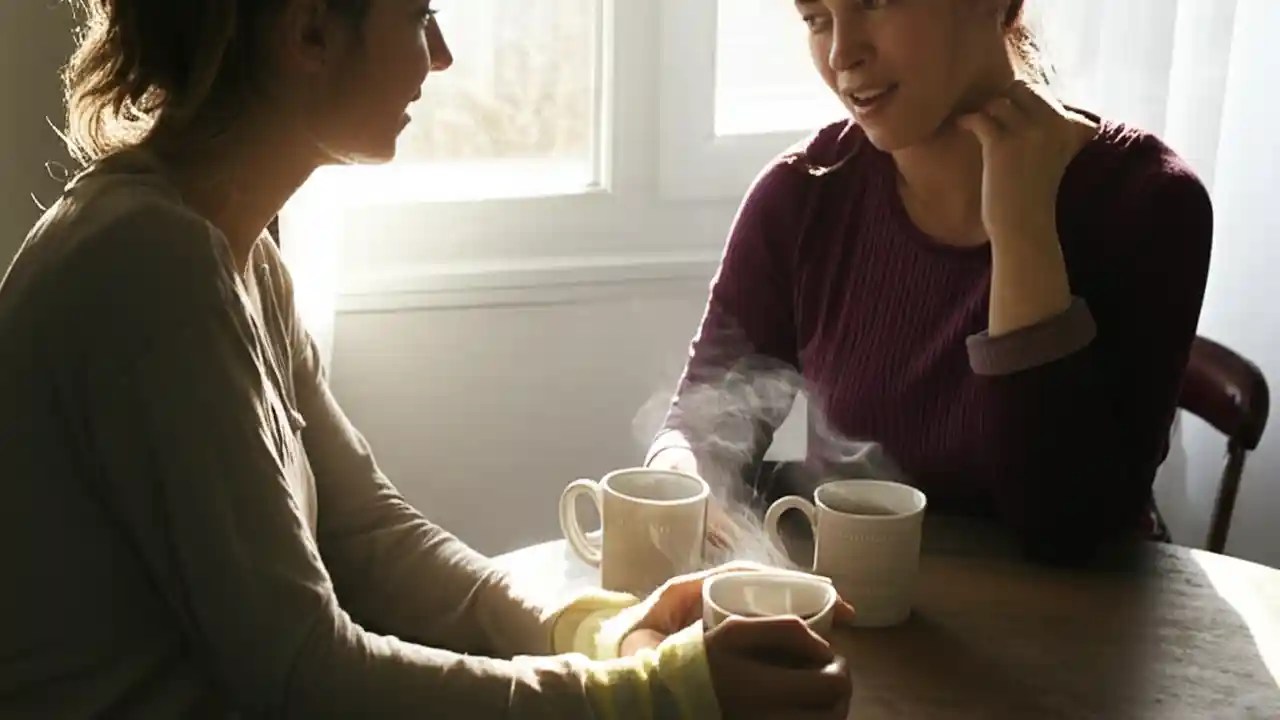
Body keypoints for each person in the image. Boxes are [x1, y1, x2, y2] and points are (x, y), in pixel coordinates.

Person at [0, 1, 854, 717]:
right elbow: (303, 673)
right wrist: (648, 695)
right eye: (420, 17)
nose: (440, 56)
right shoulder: (148, 270)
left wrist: (597, 632)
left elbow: (373, 535)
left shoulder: (236, 255)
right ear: (309, 36)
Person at [646, 0, 1213, 564]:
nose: (843, 54)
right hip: (873, 622)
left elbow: (1065, 527)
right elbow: (700, 420)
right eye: (816, 18)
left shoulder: (1148, 205)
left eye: (876, 3)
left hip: (1085, 635)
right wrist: (673, 477)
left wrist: (1021, 230)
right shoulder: (800, 198)